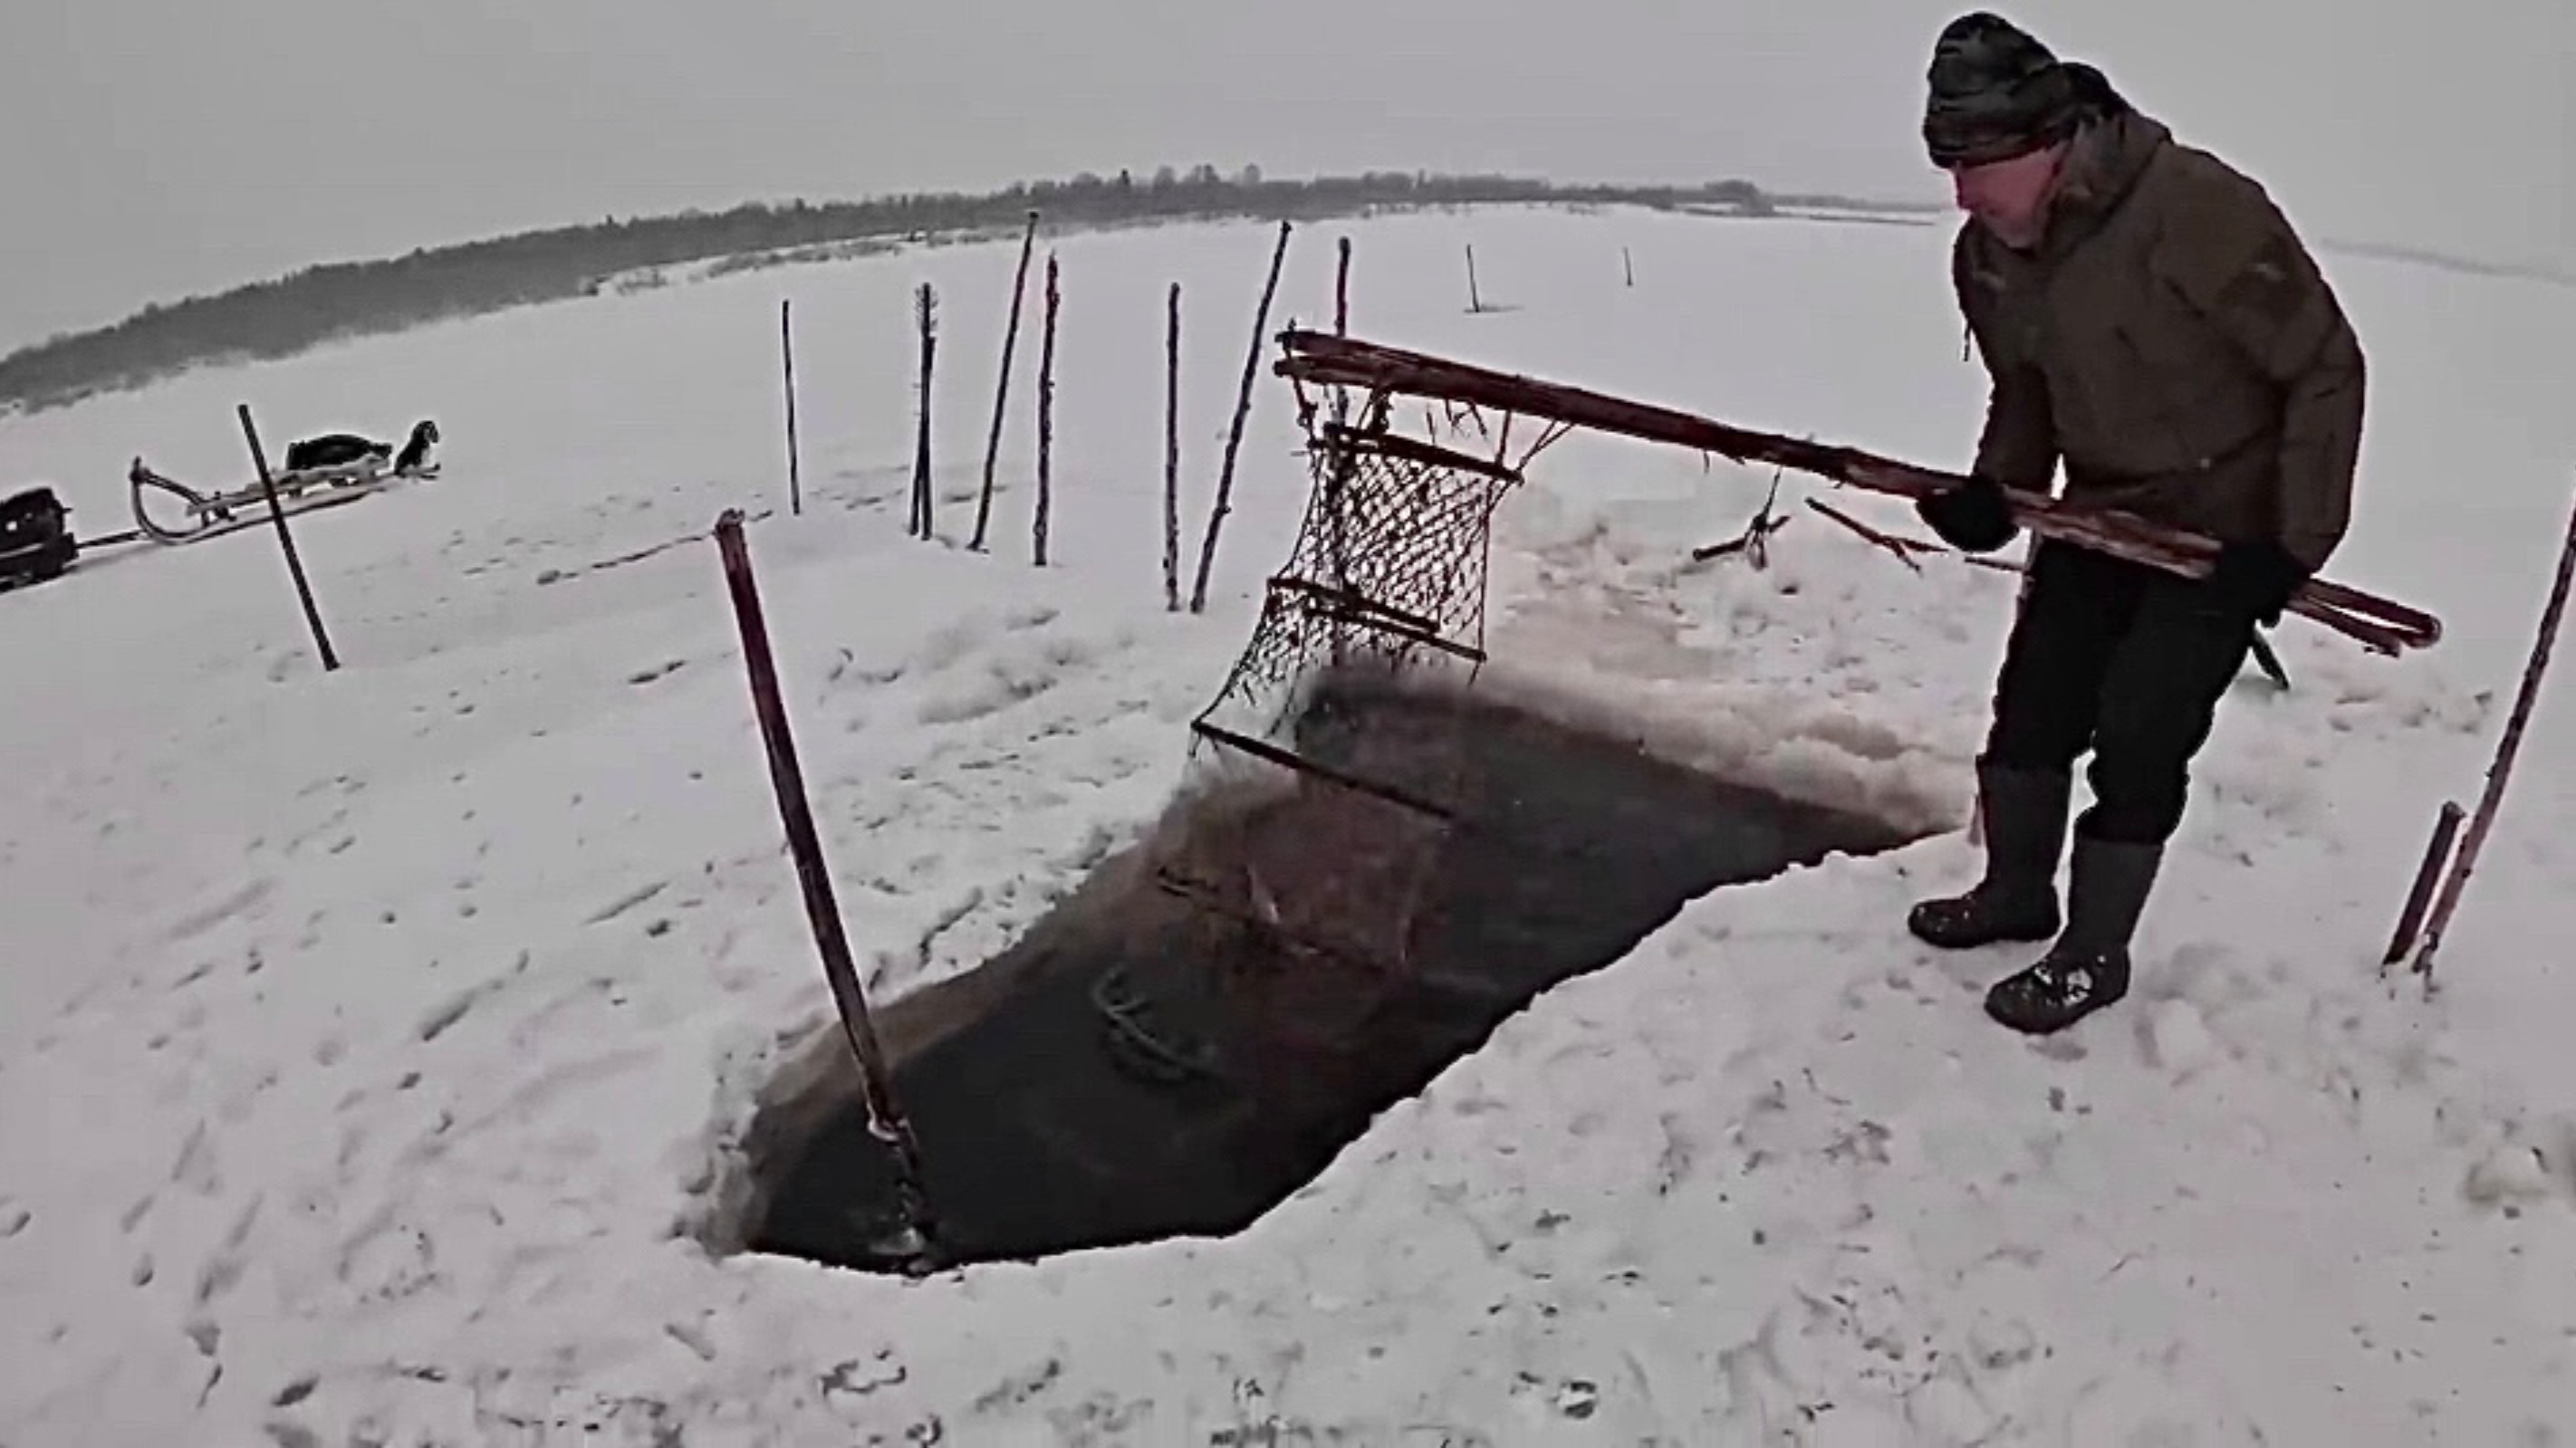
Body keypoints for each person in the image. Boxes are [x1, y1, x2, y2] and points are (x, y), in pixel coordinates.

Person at [1907, 12, 2367, 1036]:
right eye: (1947, 166)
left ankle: (2093, 953)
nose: (1961, 193)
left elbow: (2325, 369)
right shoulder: (1988, 258)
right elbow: (2024, 390)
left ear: (2052, 141)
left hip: (2221, 532)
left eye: (1976, 164)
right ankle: (2017, 893)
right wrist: (2000, 492)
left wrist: (2291, 547)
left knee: (2141, 733)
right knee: (2030, 713)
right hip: (2097, 513)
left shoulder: (2196, 211)